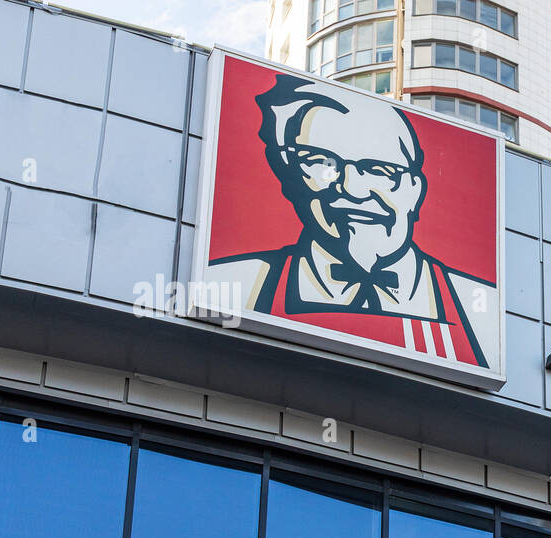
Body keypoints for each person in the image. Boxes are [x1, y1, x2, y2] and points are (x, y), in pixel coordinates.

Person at [207, 74, 495, 367]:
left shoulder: (478, 307)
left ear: (415, 190)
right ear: (292, 178)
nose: (353, 189)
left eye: (381, 169)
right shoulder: (233, 283)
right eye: (321, 162)